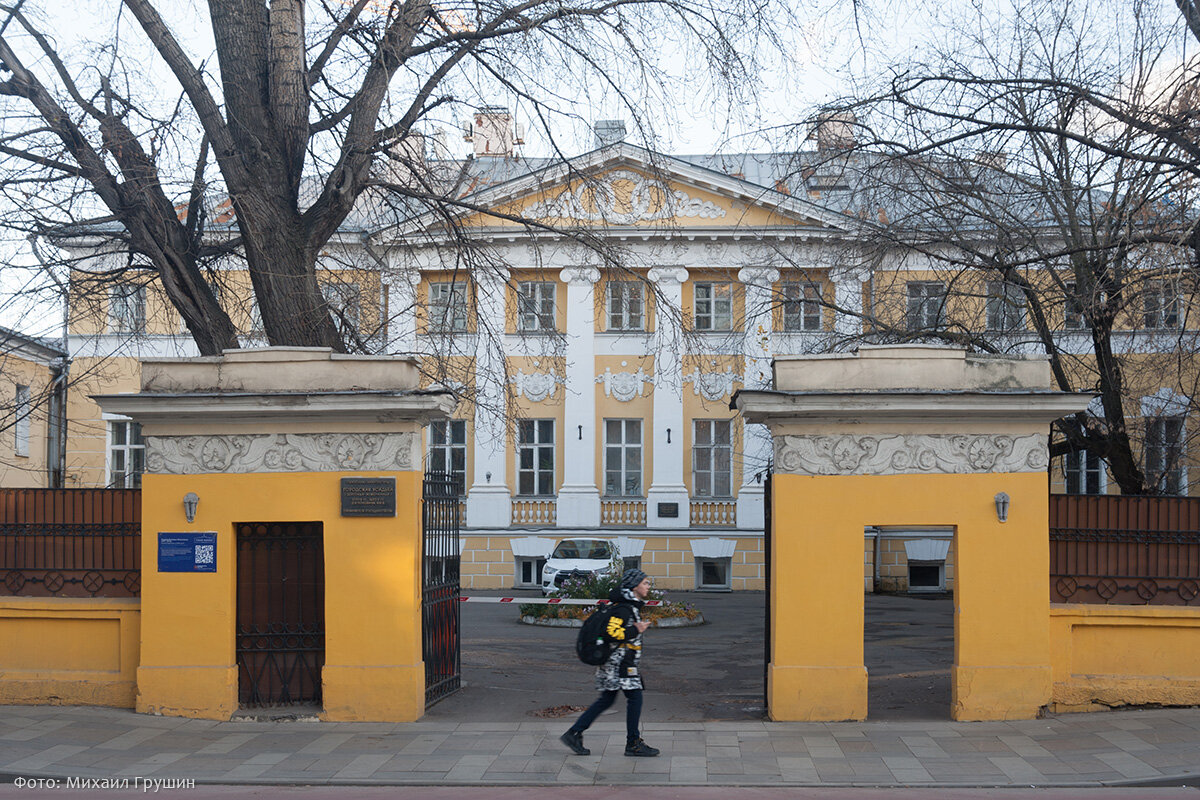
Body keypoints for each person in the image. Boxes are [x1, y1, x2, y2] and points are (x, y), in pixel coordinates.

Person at [560, 568, 660, 758]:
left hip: (619, 663)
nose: (648, 586)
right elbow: (610, 632)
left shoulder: (628, 605)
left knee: (608, 699)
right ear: (634, 585)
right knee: (635, 698)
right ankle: (633, 743)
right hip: (620, 664)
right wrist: (635, 629)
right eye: (645, 582)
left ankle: (574, 733)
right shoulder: (624, 608)